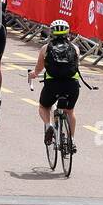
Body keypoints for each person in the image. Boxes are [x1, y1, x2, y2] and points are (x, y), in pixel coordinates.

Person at [28, 19, 80, 152]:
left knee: (43, 106)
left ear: (52, 33)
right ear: (68, 33)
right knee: (70, 111)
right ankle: (71, 140)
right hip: (71, 85)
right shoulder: (75, 49)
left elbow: (39, 69)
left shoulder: (46, 48)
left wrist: (33, 74)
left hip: (53, 84)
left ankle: (49, 124)